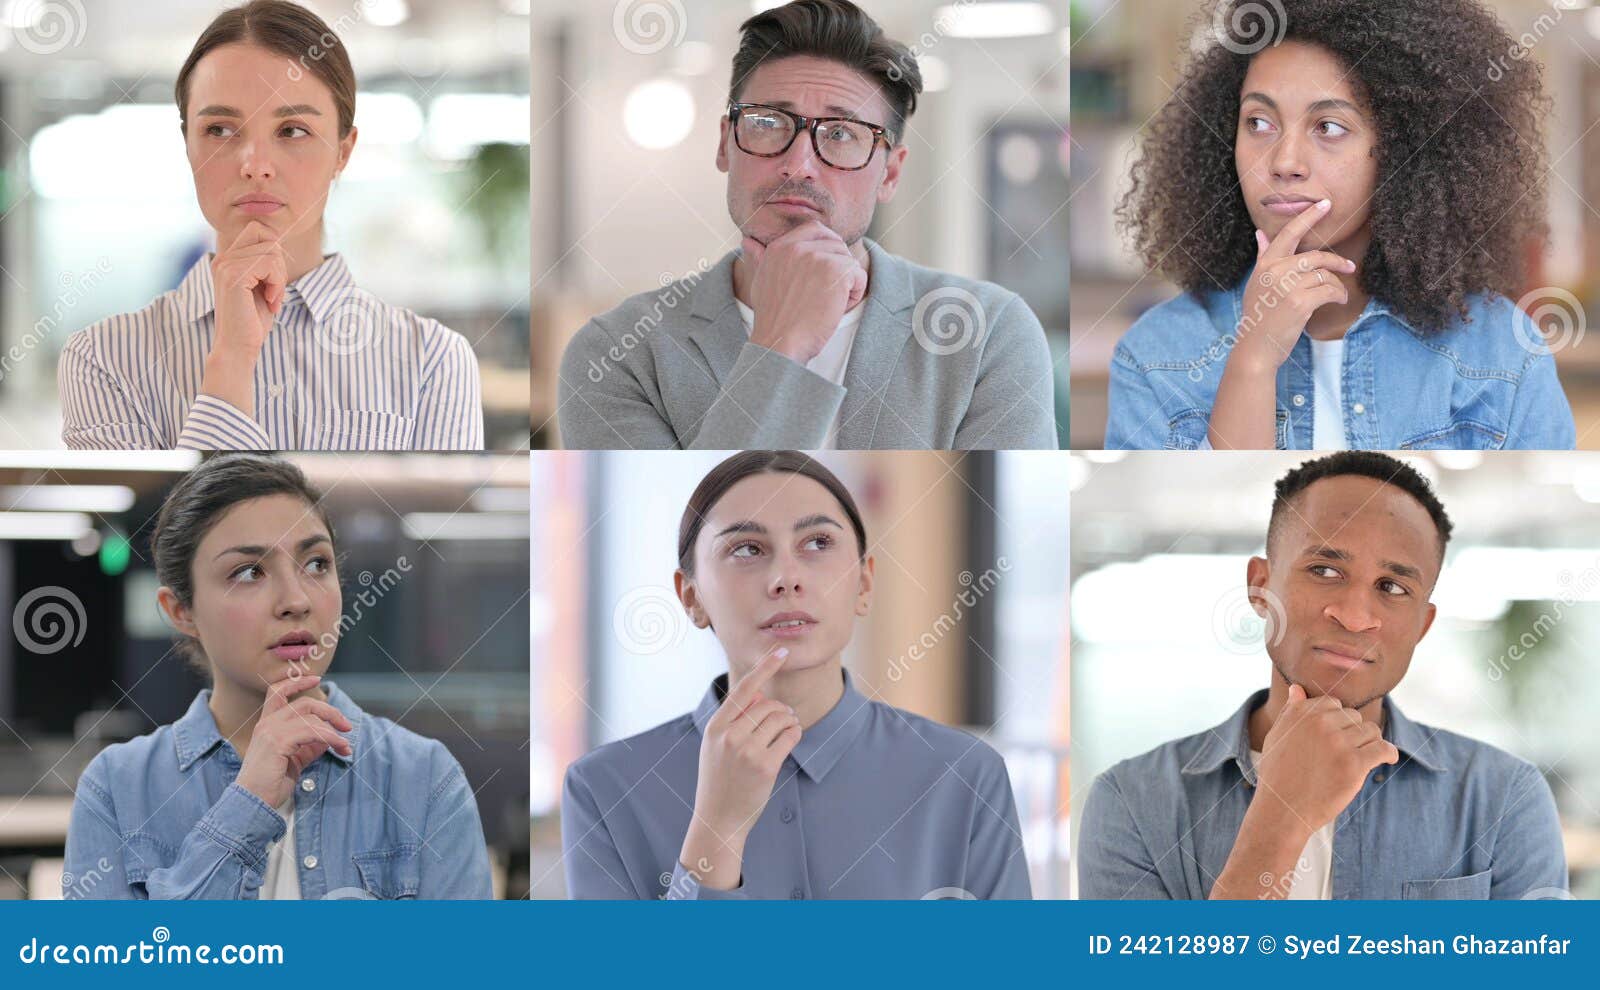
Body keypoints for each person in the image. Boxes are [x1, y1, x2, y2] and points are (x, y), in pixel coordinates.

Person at [558, 0, 1056, 450]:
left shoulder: (988, 334)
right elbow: (698, 520)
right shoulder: (616, 353)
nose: (799, 165)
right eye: (769, 122)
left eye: (841, 133)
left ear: (891, 173)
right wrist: (779, 344)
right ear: (725, 144)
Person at [1078, 451, 1567, 899]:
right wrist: (1280, 817)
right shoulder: (1132, 802)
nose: (1355, 616)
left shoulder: (1503, 799)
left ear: (1422, 625)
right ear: (1260, 586)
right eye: (1325, 571)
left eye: (1392, 587)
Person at [1104, 0, 1574, 450]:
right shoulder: (1155, 355)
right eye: (1259, 123)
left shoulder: (1501, 354)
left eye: (1328, 126)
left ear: (1404, 151)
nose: (1284, 162)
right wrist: (1253, 360)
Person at [561, 450, 1030, 898]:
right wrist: (716, 831)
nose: (786, 577)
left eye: (818, 543)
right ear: (691, 597)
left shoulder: (965, 775)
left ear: (864, 583)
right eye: (747, 549)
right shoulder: (604, 790)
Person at [63, 453, 492, 899]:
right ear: (181, 611)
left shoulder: (422, 779)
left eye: (316, 564)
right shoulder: (118, 787)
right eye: (248, 572)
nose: (296, 599)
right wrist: (247, 804)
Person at [59, 0, 483, 450]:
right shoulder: (103, 359)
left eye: (292, 131)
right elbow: (157, 525)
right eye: (221, 130)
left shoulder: (433, 361)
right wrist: (230, 361)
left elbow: (429, 522)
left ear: (343, 151)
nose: (255, 165)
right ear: (188, 147)